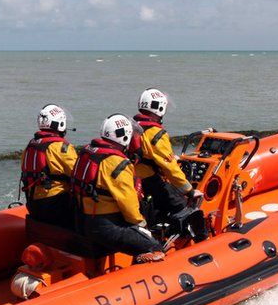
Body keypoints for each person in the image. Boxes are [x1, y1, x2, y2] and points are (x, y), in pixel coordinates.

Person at [71, 114, 163, 262]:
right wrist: (143, 226)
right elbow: (128, 204)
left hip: (81, 220)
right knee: (154, 246)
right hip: (105, 226)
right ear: (125, 137)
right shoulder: (118, 163)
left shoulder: (86, 152)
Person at [133, 88, 202, 223]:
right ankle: (196, 239)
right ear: (160, 108)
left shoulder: (134, 127)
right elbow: (171, 169)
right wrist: (190, 191)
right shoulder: (157, 134)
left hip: (134, 178)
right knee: (183, 206)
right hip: (150, 181)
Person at [20, 104, 79, 228]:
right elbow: (78, 174)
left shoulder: (30, 146)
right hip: (55, 206)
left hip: (33, 205)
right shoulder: (62, 148)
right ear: (61, 123)